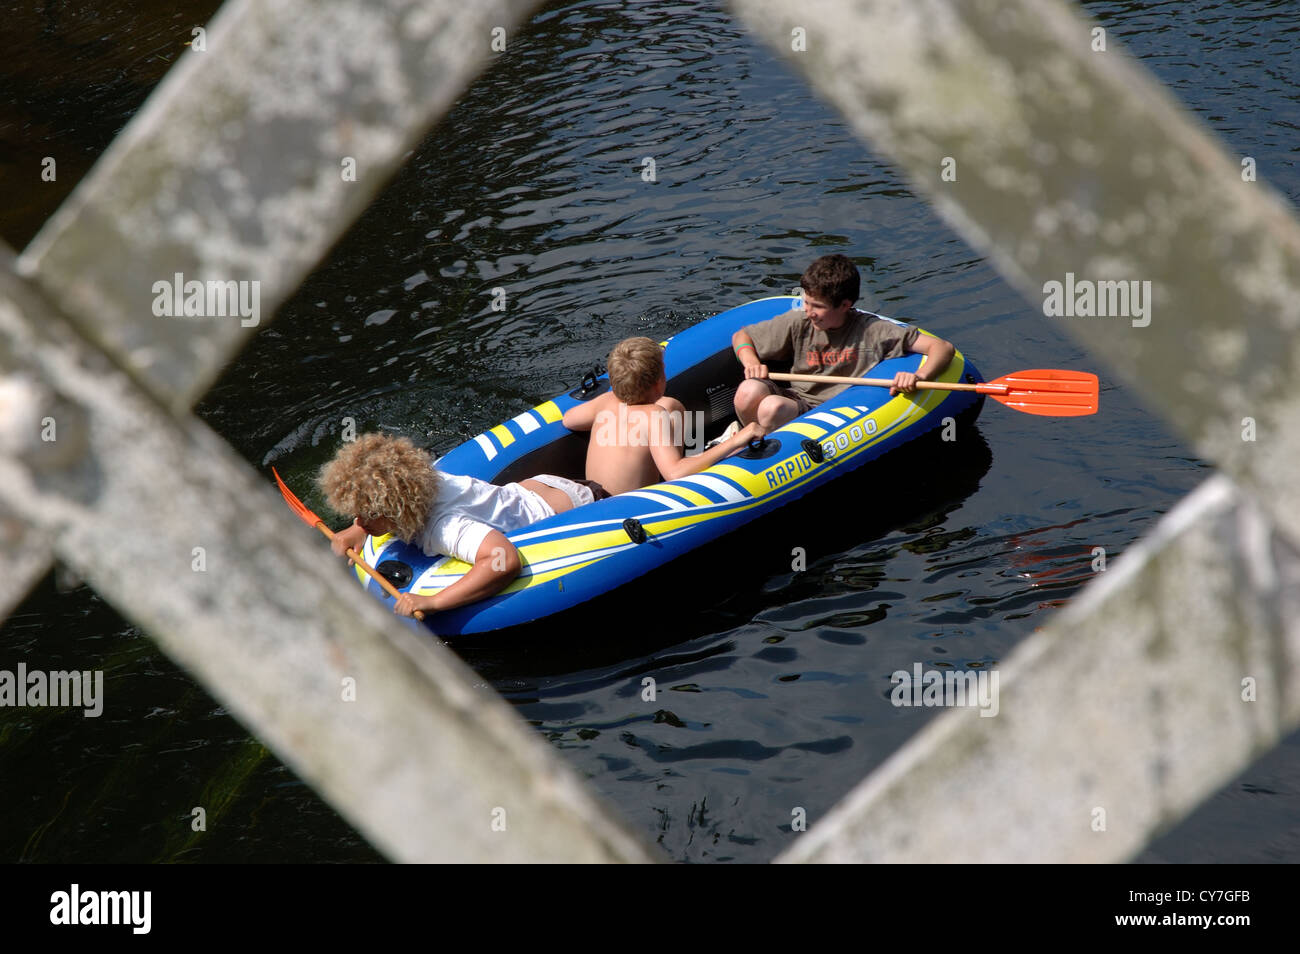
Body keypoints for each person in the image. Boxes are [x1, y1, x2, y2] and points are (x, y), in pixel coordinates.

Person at [319, 432, 608, 618]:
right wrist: (360, 530)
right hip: (537, 490)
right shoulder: (419, 484)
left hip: (584, 502)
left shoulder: (444, 527)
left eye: (366, 515)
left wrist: (433, 602)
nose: (358, 521)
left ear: (394, 509)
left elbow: (503, 560)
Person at [731, 254, 955, 434]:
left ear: (844, 305)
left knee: (773, 408)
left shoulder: (873, 331)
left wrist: (919, 376)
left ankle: (756, 447)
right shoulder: (800, 320)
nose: (810, 312)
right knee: (748, 391)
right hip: (795, 397)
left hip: (827, 410)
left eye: (817, 306)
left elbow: (942, 347)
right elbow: (741, 336)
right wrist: (750, 361)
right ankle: (750, 440)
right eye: (806, 302)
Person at [562, 336, 760, 495]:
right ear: (659, 382)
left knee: (671, 405)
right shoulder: (654, 415)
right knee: (671, 412)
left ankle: (696, 453)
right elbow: (675, 473)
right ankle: (704, 451)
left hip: (597, 497)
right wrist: (736, 442)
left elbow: (568, 419)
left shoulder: (606, 402)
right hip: (631, 510)